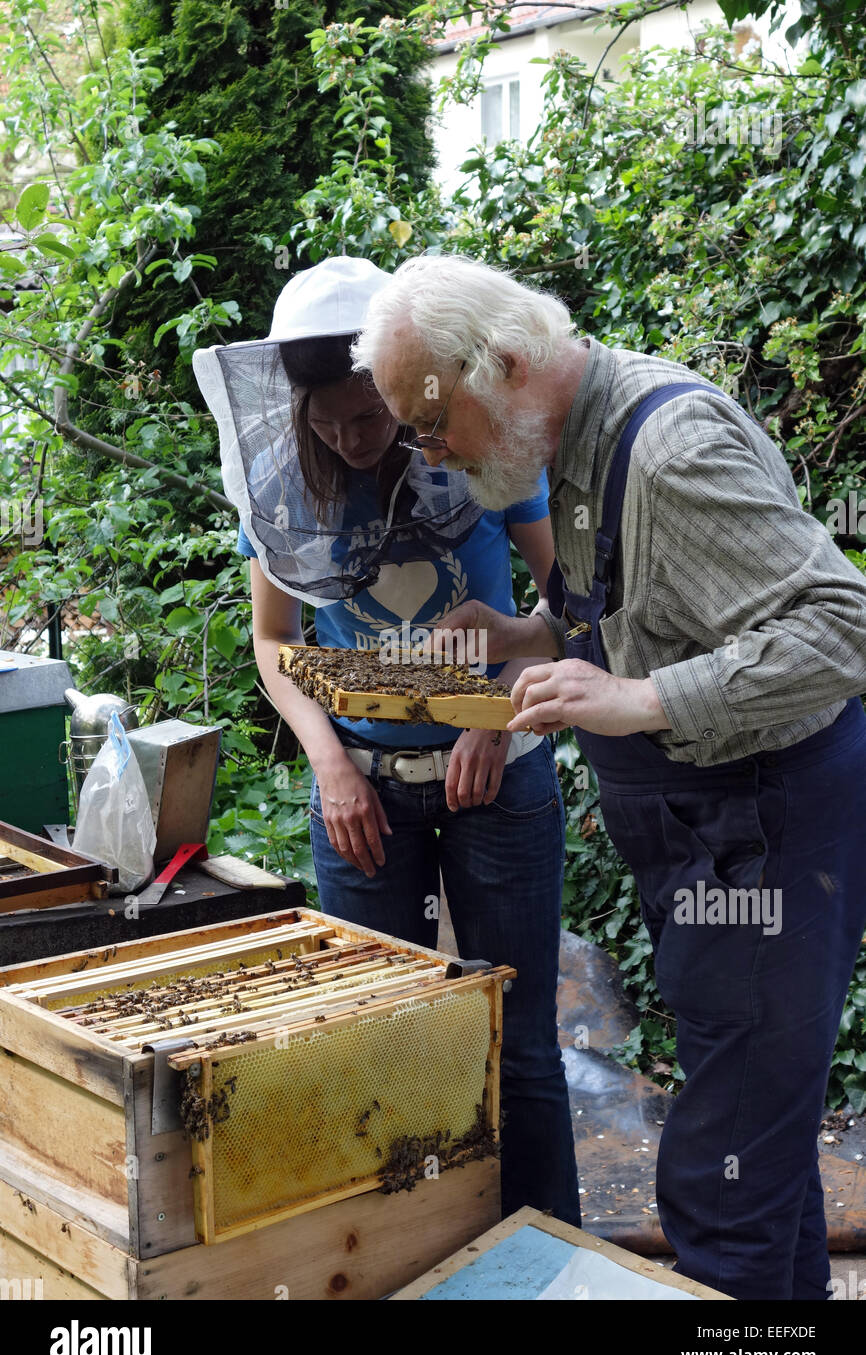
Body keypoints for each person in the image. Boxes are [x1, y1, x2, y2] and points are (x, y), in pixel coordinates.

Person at [352, 252, 866, 1301]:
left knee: (719, 1183)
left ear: (498, 363)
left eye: (428, 420)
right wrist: (521, 631)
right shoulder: (572, 443)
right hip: (705, 835)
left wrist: (644, 701)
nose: (427, 450)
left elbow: (840, 627)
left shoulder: (665, 448)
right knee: (757, 1156)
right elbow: (639, 610)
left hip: (762, 831)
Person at [192, 257, 580, 1224]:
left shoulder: (478, 447)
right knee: (386, 1040)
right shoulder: (284, 491)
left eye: (367, 420)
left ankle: (555, 1261)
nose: (350, 441)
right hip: (361, 786)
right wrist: (329, 765)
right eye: (326, 426)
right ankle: (414, 1253)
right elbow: (276, 643)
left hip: (502, 780)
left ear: (402, 391)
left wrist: (498, 712)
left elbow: (567, 600)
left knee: (519, 1041)